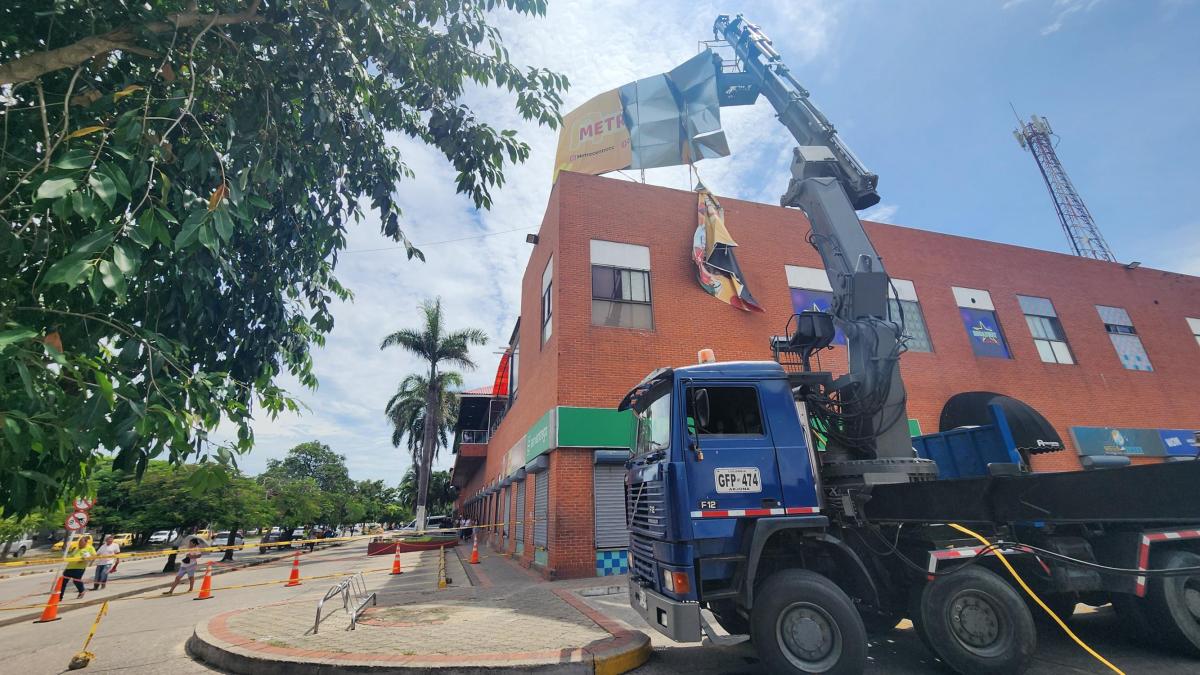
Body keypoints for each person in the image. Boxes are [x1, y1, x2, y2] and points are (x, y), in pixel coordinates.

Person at [60, 534, 95, 600]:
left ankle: (81, 591)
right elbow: (72, 557)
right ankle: (60, 597)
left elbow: (93, 556)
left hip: (79, 568)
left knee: (76, 581)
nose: (79, 544)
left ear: (85, 542)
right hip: (69, 567)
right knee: (63, 582)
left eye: (81, 543)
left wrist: (86, 560)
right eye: (79, 542)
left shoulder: (90, 548)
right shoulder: (76, 548)